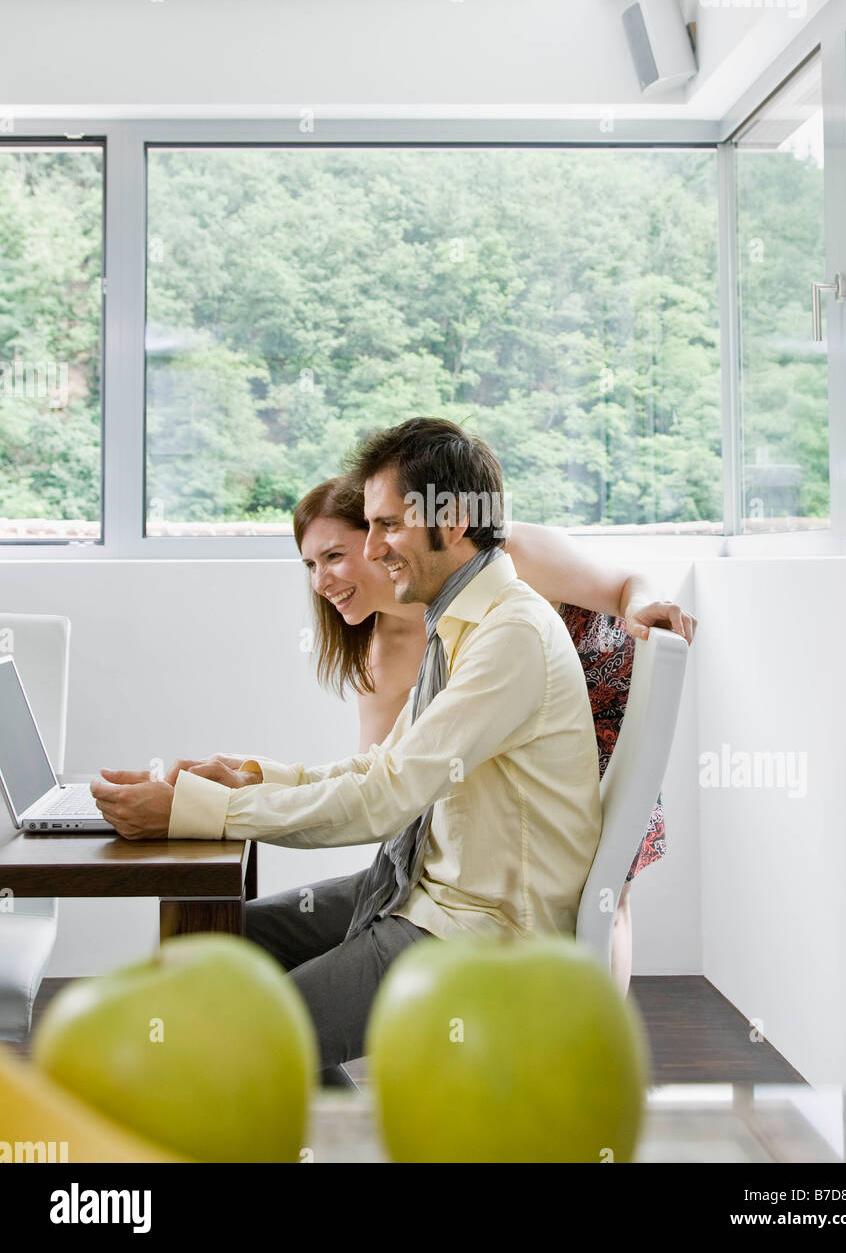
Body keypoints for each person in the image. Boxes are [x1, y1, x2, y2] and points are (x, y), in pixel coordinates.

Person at [91, 418, 693, 1087]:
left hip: (474, 932)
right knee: (207, 947)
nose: (373, 549)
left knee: (238, 1034)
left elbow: (382, 803)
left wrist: (192, 812)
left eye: (387, 526)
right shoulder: (458, 625)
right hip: (430, 893)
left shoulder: (509, 634)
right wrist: (242, 778)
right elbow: (377, 770)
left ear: (455, 521)